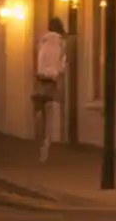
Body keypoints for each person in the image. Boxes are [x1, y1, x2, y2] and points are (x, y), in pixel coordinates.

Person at [34, 17, 67, 162]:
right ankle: (47, 143)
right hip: (53, 80)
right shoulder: (61, 42)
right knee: (51, 113)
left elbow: (38, 58)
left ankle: (39, 139)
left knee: (39, 111)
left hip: (41, 79)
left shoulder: (43, 41)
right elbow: (62, 63)